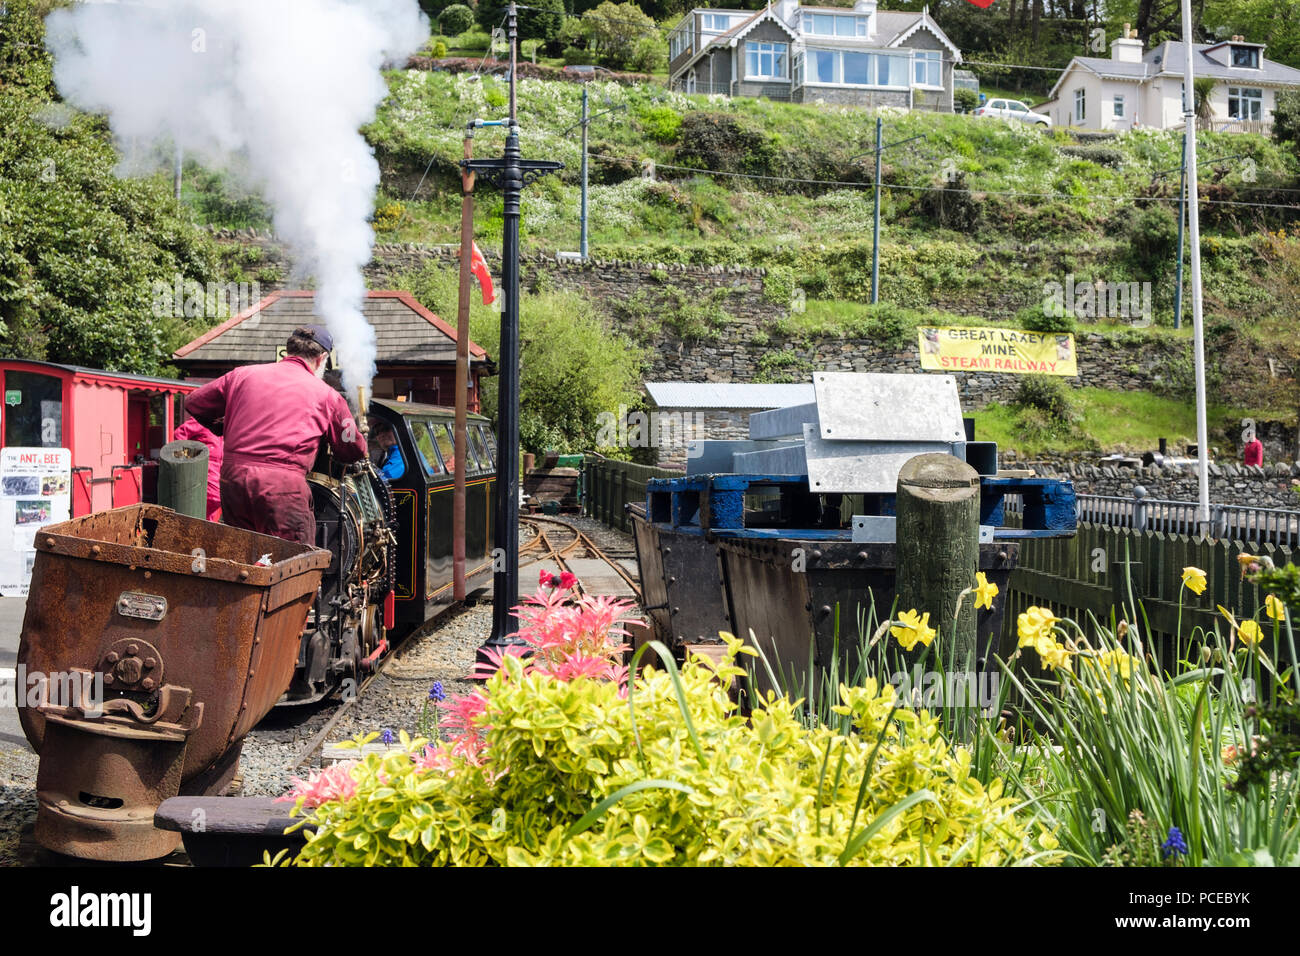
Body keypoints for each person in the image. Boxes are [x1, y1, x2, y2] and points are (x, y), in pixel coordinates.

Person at [184, 325, 367, 545]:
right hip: (282, 488)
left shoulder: (241, 375)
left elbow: (193, 402)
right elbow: (353, 449)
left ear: (289, 351)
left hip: (234, 482)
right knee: (294, 559)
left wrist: (223, 428)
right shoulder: (328, 395)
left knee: (240, 554)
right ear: (322, 359)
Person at [173, 416, 224, 521]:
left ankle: (205, 528)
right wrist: (188, 458)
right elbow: (179, 434)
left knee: (215, 504)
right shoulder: (203, 420)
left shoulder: (223, 426)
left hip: (218, 472)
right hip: (204, 470)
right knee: (213, 499)